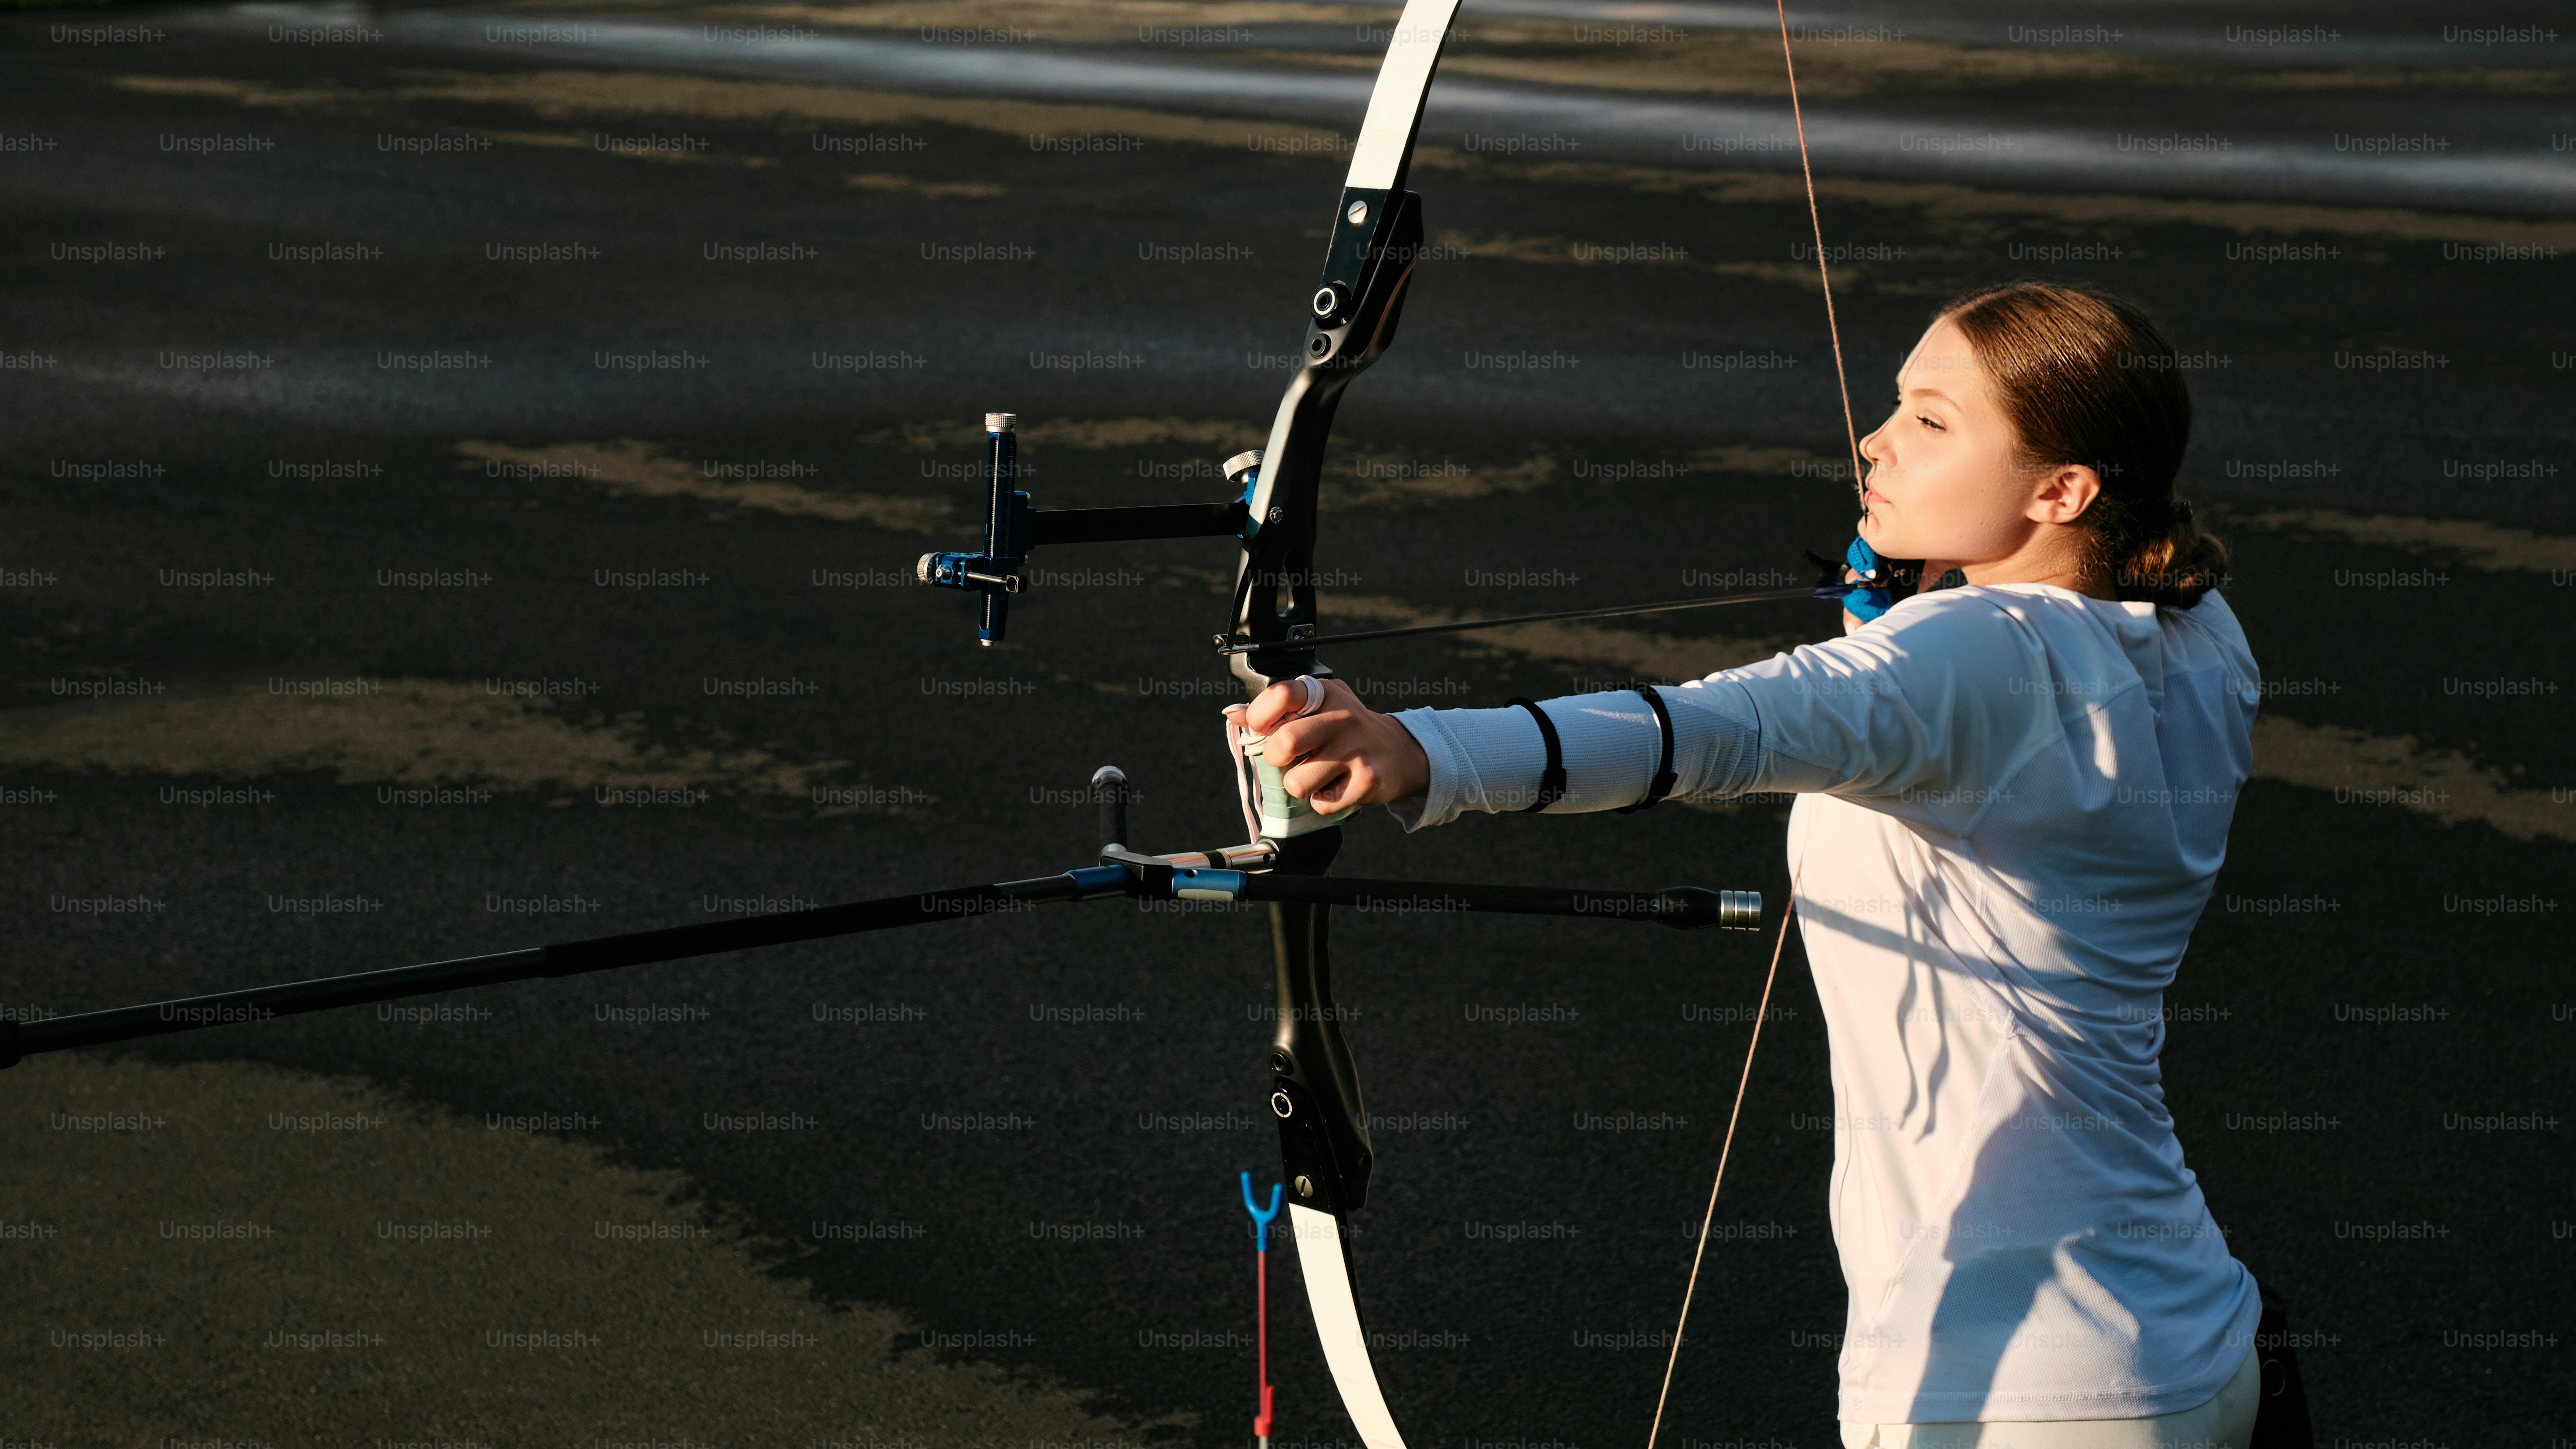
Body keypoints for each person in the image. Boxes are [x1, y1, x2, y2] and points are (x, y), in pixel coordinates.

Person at [1242, 283, 2268, 1445]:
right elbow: (1999, 740)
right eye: (1893, 404)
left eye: (1933, 422)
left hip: (2023, 1390)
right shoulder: (2197, 628)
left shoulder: (1976, 653)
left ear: (2062, 489)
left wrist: (1420, 750)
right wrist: (1894, 620)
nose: (1875, 441)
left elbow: (1718, 728)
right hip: (2191, 1337)